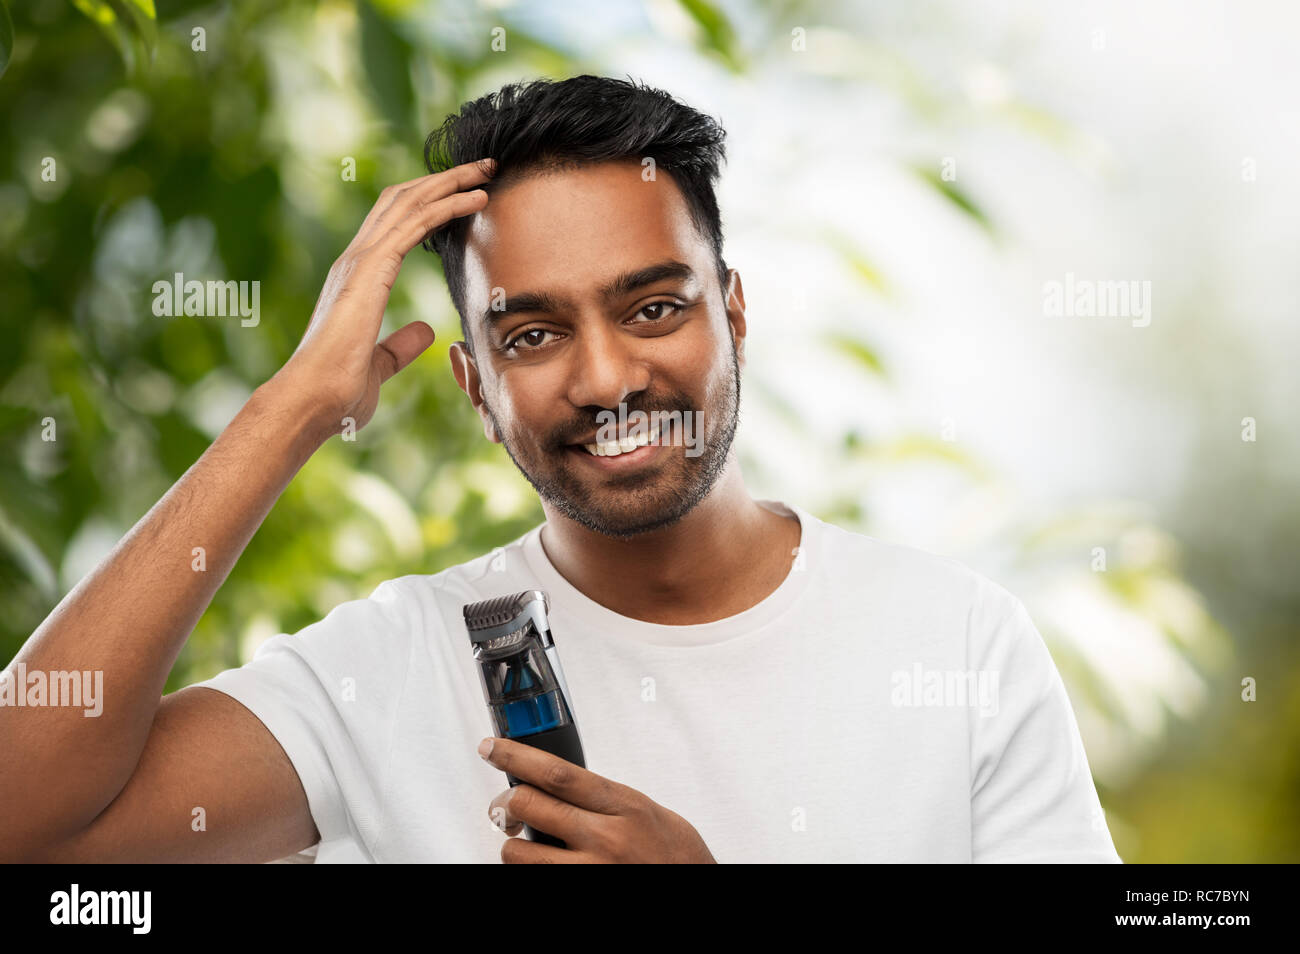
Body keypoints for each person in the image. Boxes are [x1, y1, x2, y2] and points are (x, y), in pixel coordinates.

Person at [0, 75, 1121, 863]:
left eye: (653, 307)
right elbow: (22, 822)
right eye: (531, 334)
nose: (606, 377)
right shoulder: (389, 671)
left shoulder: (955, 642)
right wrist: (290, 410)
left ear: (733, 313)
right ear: (478, 391)